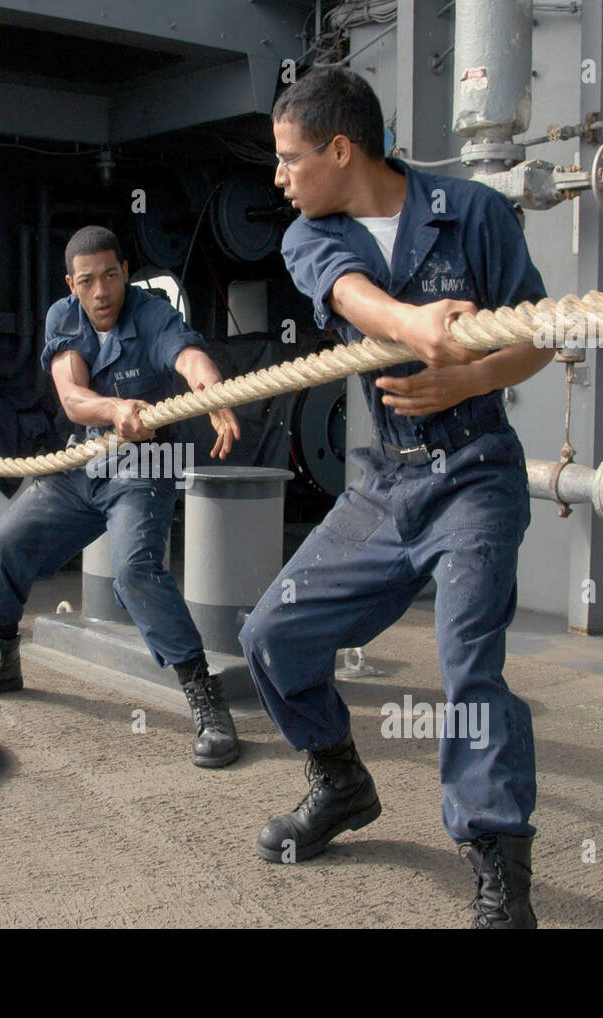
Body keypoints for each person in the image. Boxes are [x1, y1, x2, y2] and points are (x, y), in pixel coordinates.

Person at [238, 68, 553, 928]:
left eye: (288, 158)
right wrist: (416, 328)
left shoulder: (474, 212)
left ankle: (497, 866)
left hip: (474, 471)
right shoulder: (311, 234)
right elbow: (348, 294)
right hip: (384, 482)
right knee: (270, 632)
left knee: (467, 665)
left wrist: (469, 378)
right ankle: (340, 780)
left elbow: (536, 334)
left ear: (340, 150)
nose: (279, 177)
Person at [0, 225, 245, 768]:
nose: (101, 291)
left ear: (125, 272)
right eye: (88, 281)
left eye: (110, 275)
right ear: (71, 285)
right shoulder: (64, 317)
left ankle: (202, 692)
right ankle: (1, 655)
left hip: (144, 464)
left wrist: (212, 392)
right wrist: (114, 410)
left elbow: (187, 354)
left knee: (135, 571)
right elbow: (73, 396)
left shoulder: (149, 313)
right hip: (81, 462)